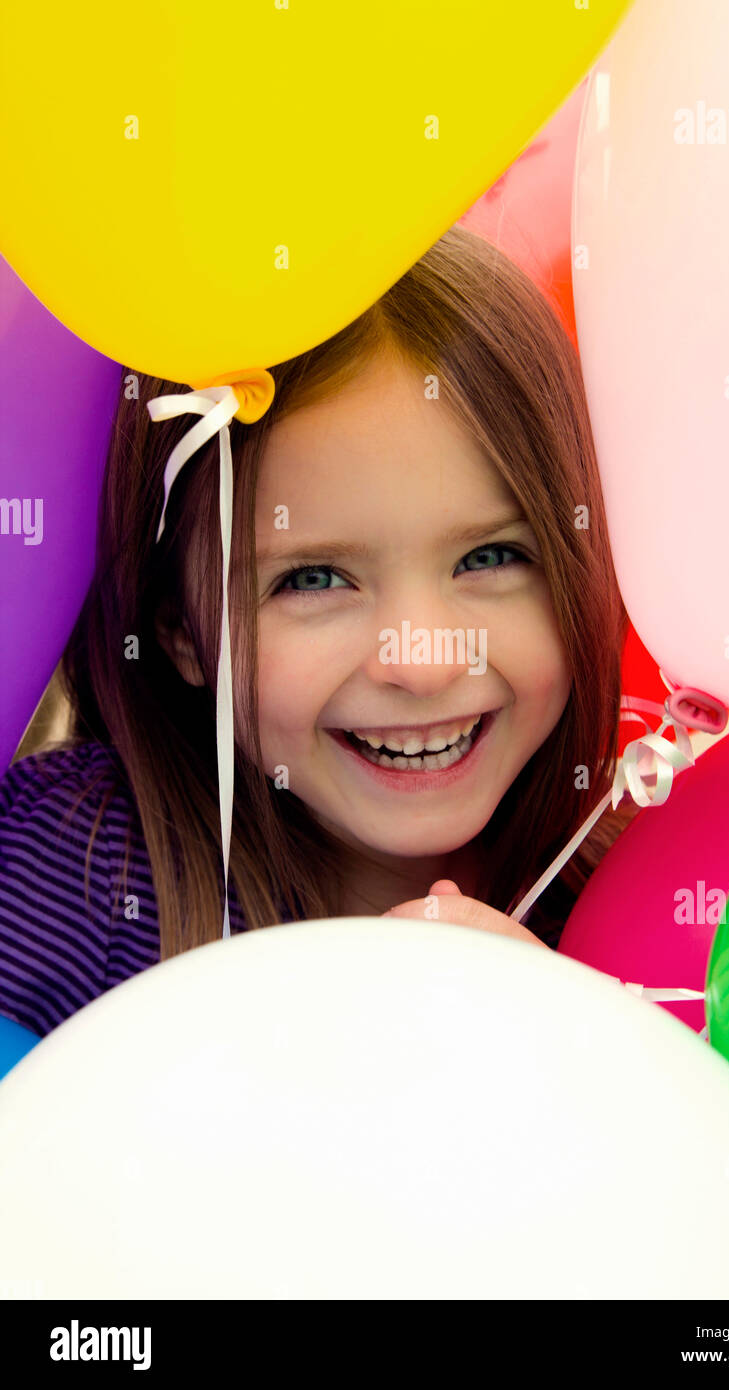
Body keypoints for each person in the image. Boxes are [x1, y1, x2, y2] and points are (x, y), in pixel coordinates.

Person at [0, 224, 636, 1039]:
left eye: (491, 556)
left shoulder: (649, 901)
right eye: (314, 579)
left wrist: (575, 1049)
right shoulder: (71, 874)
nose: (423, 661)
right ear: (179, 629)